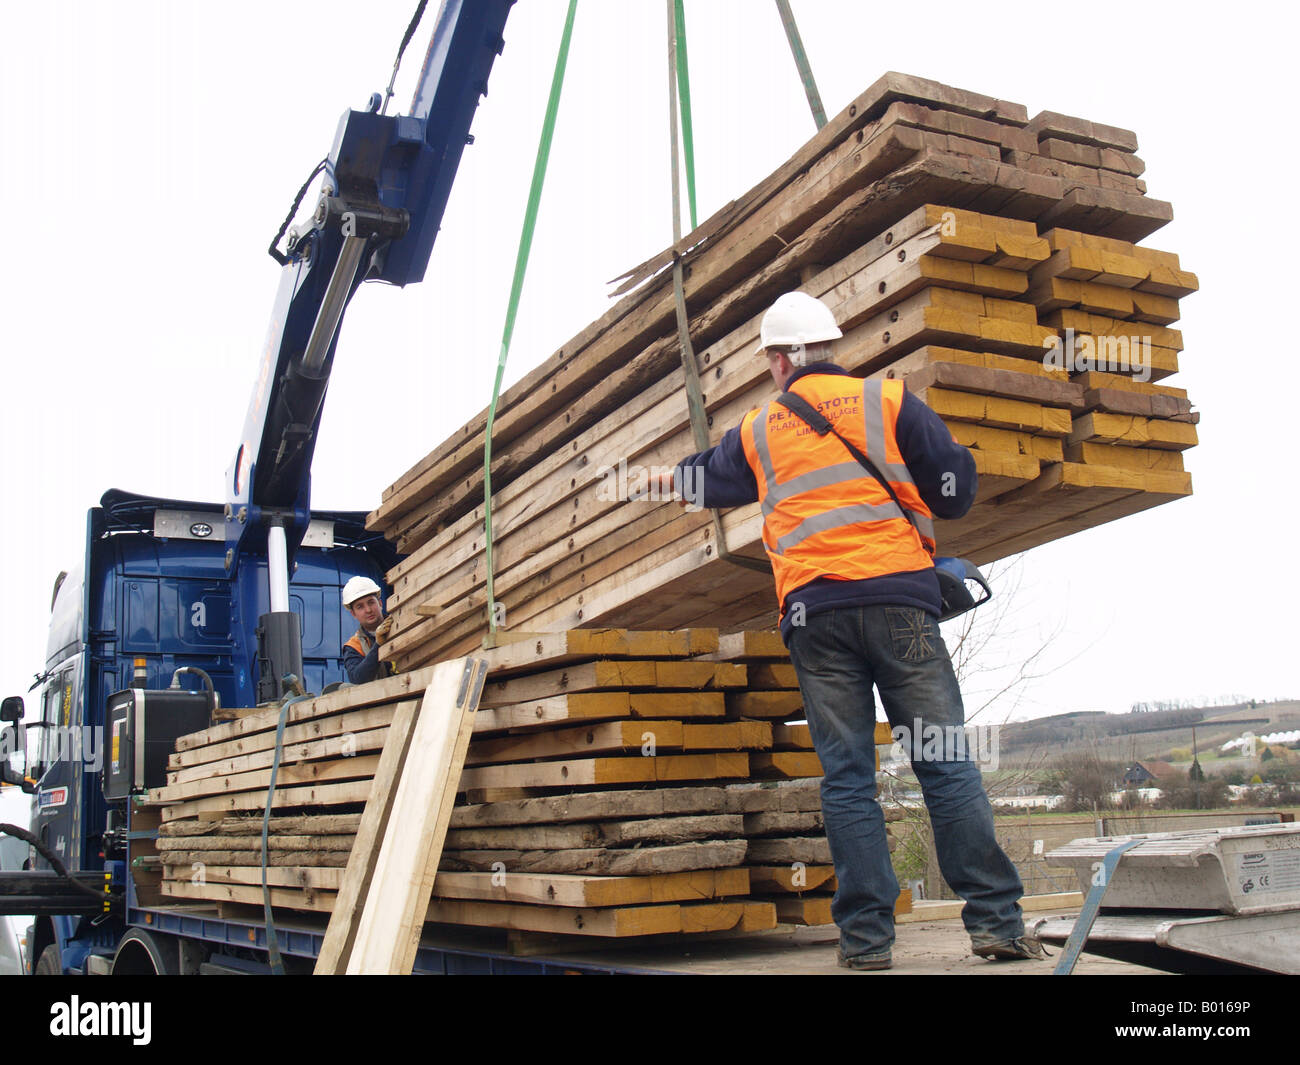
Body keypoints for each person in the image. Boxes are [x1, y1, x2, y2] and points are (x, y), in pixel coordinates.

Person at [662, 291, 1042, 970]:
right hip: (902, 606)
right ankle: (995, 925)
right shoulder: (888, 401)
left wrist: (650, 480)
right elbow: (954, 490)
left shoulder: (758, 429)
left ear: (780, 361)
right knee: (943, 760)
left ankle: (866, 940)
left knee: (847, 777)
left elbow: (704, 483)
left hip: (817, 619)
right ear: (829, 347)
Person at [341, 575, 396, 685]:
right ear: (353, 614)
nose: (368, 610)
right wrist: (378, 644)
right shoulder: (354, 646)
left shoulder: (399, 624)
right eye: (360, 607)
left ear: (380, 603)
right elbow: (357, 679)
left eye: (371, 602)